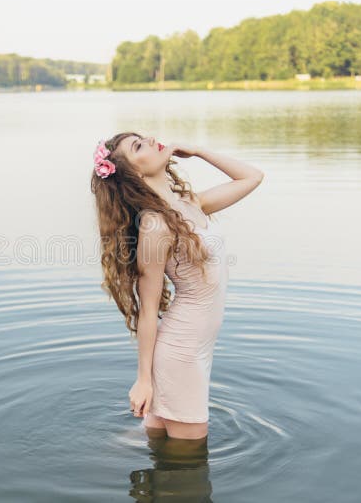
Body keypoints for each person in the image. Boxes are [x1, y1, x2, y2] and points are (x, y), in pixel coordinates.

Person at [90, 132, 264, 440]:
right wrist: (143, 379)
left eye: (143, 137)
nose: (151, 140)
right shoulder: (155, 225)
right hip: (182, 353)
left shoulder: (189, 205)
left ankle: (101, 463)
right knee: (188, 465)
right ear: (136, 173)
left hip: (193, 348)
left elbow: (252, 177)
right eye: (138, 146)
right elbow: (148, 308)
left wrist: (197, 151)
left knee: (156, 441)